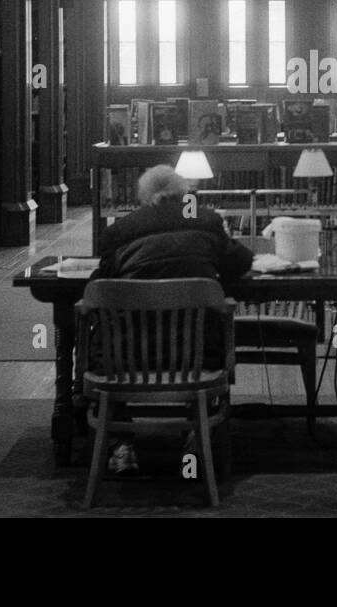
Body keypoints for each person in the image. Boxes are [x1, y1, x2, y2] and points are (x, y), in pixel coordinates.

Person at [90, 164, 253, 472]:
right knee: (208, 330)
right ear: (182, 194)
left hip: (128, 359)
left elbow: (102, 285)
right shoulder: (207, 221)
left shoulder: (119, 231)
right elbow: (241, 264)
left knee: (99, 341)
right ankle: (196, 433)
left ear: (143, 198)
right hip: (198, 356)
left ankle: (121, 443)